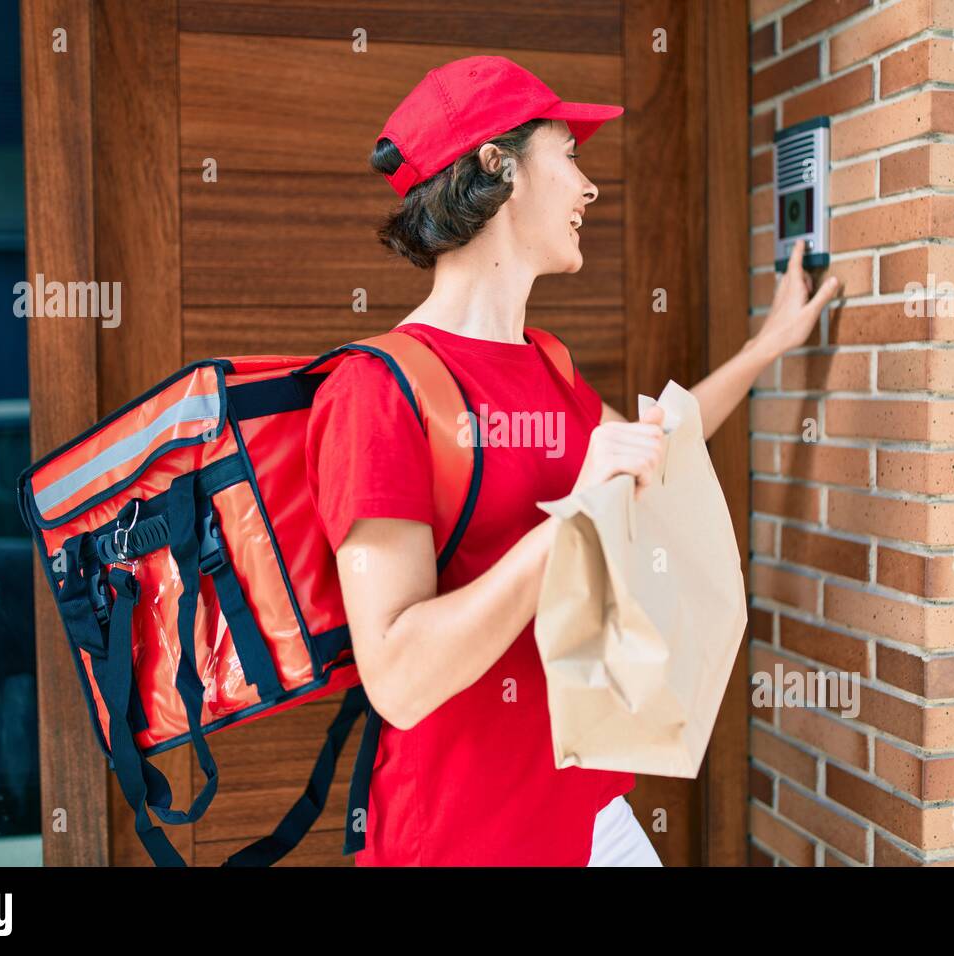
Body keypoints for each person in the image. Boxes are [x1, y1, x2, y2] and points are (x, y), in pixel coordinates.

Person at [304, 55, 840, 867]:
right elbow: (401, 679)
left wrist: (769, 346)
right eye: (569, 155)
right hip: (463, 841)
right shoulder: (377, 390)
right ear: (500, 165)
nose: (589, 189)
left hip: (590, 813)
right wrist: (569, 526)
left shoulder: (545, 362)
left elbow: (663, 441)